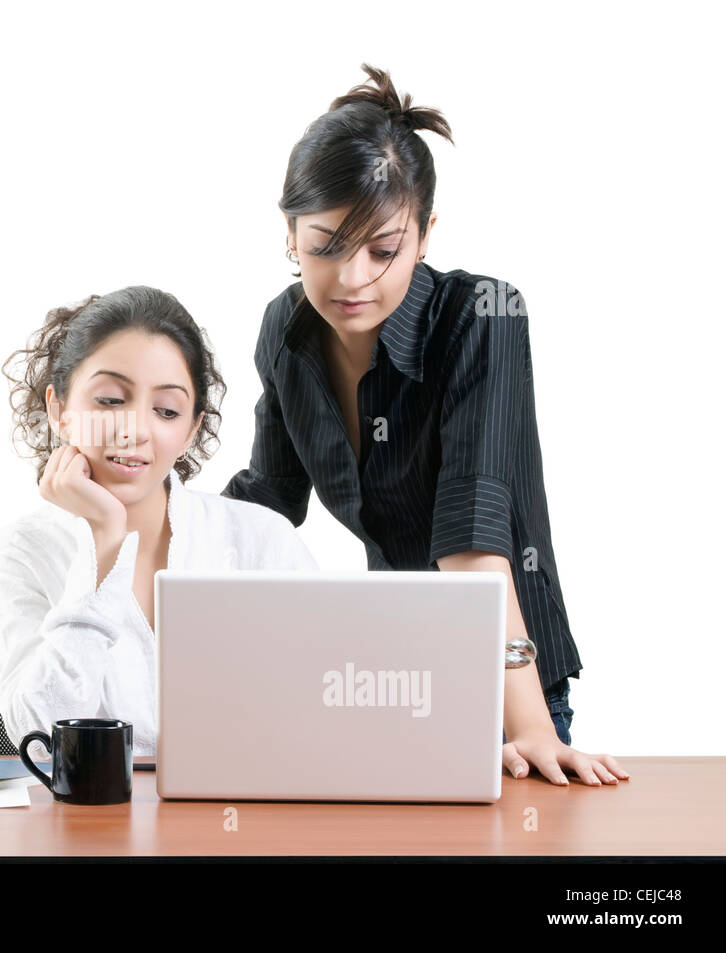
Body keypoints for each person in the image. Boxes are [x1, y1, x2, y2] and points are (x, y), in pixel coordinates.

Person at [222, 63, 628, 787]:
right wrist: (139, 521)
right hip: (395, 674)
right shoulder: (285, 331)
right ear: (288, 231)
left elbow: (474, 534)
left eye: (384, 249)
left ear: (425, 234)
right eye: (324, 246)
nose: (351, 279)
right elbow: (266, 508)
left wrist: (530, 726)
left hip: (511, 682)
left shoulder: (483, 317)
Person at [0, 286, 318, 760]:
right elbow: (39, 736)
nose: (135, 430)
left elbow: (324, 714)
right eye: (110, 400)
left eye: (166, 411)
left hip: (243, 821)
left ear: (191, 429)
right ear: (58, 410)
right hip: (92, 824)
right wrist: (104, 542)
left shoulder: (260, 540)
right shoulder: (23, 552)